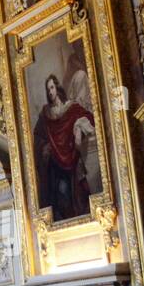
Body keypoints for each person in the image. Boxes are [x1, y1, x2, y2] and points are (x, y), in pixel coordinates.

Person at [34, 74, 94, 219]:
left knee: (76, 192)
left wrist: (78, 128)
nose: (50, 92)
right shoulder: (45, 114)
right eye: (48, 89)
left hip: (71, 157)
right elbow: (38, 136)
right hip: (55, 164)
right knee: (61, 192)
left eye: (52, 88)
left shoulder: (70, 108)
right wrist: (44, 147)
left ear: (57, 87)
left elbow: (89, 117)